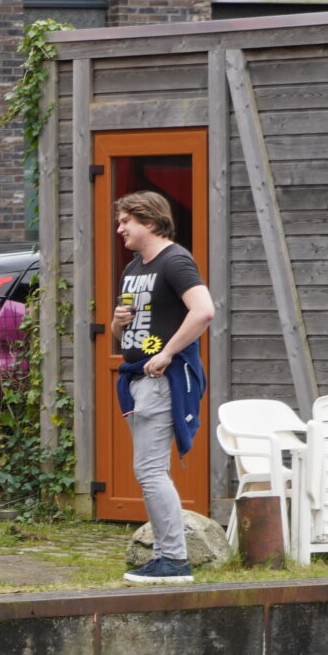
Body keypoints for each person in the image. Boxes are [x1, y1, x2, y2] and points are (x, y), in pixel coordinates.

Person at [109, 190, 213, 585]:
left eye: (126, 222)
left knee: (150, 470)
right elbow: (125, 335)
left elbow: (204, 311)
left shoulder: (176, 260)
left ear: (149, 222)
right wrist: (118, 323)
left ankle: (173, 559)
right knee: (148, 470)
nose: (120, 229)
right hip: (137, 377)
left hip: (161, 379)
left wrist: (168, 352)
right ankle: (168, 557)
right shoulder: (134, 267)